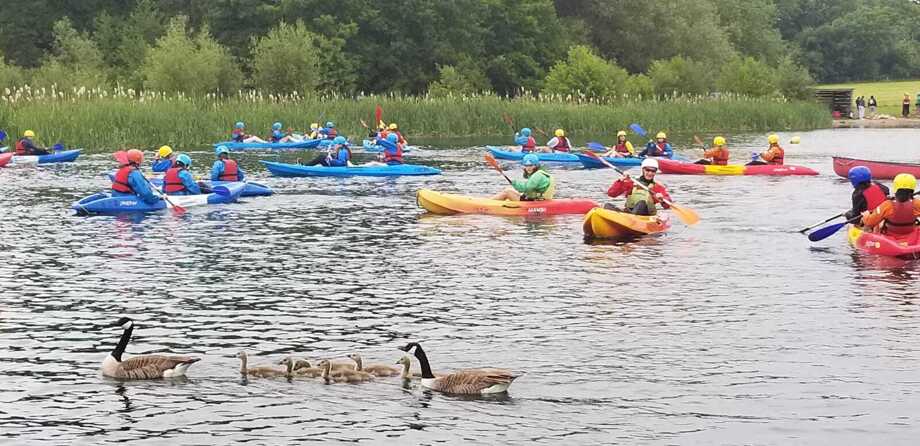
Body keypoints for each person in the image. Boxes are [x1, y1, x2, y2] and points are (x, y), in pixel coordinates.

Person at [606, 158, 671, 216]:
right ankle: (627, 217)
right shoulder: (631, 182)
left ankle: (630, 218)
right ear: (643, 170)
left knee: (642, 203)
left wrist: (662, 200)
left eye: (653, 171)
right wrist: (620, 181)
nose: (650, 173)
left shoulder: (658, 186)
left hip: (646, 215)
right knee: (607, 206)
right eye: (647, 170)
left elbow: (667, 205)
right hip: (630, 213)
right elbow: (611, 194)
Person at [490, 153, 554, 201]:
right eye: (526, 166)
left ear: (536, 165)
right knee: (509, 190)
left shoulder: (537, 175)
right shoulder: (540, 173)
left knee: (507, 192)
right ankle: (494, 202)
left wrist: (515, 183)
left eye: (531, 165)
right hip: (535, 198)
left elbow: (527, 188)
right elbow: (529, 186)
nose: (528, 168)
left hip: (533, 201)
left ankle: (488, 203)